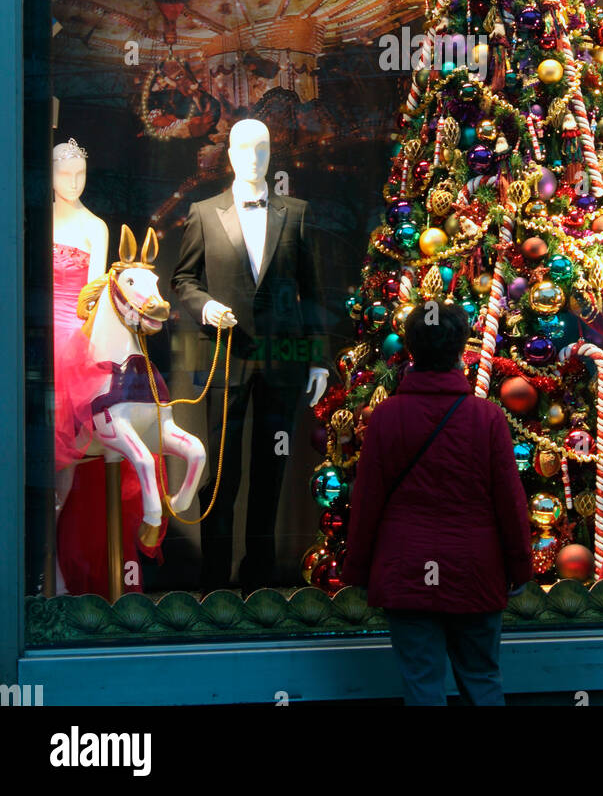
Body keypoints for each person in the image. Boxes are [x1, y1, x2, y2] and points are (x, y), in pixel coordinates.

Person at [341, 301, 532, 706]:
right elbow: (510, 502)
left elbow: (367, 500)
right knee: (482, 679)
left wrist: (357, 569)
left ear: (411, 349)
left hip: (407, 570)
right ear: (461, 350)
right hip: (475, 570)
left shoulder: (387, 417)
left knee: (422, 684)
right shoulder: (487, 417)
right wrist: (519, 566)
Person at [172, 118, 331, 595]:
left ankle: (259, 577)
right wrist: (205, 306)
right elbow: (183, 281)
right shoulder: (203, 212)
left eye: (262, 148)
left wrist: (318, 358)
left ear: (272, 154)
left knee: (272, 467)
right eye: (244, 147)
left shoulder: (296, 213)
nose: (254, 157)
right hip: (224, 359)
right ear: (229, 155)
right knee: (221, 470)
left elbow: (312, 290)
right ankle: (214, 578)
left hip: (282, 361)